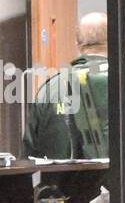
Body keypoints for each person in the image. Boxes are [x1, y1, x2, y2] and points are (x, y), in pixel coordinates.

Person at [23, 11, 108, 159]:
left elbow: (29, 153)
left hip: (59, 181)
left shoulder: (49, 89)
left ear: (78, 44)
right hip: (116, 180)